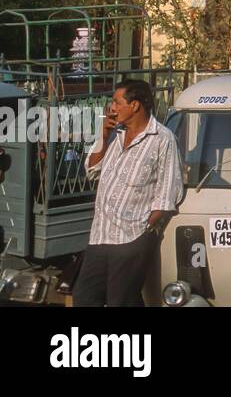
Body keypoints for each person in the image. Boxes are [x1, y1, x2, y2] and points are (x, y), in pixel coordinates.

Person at [74, 80, 182, 306]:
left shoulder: (162, 139)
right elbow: (92, 171)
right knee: (84, 298)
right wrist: (104, 137)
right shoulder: (115, 134)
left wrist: (141, 228)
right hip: (101, 235)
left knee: (121, 300)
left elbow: (167, 195)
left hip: (131, 238)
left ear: (134, 105)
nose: (111, 108)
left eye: (116, 102)